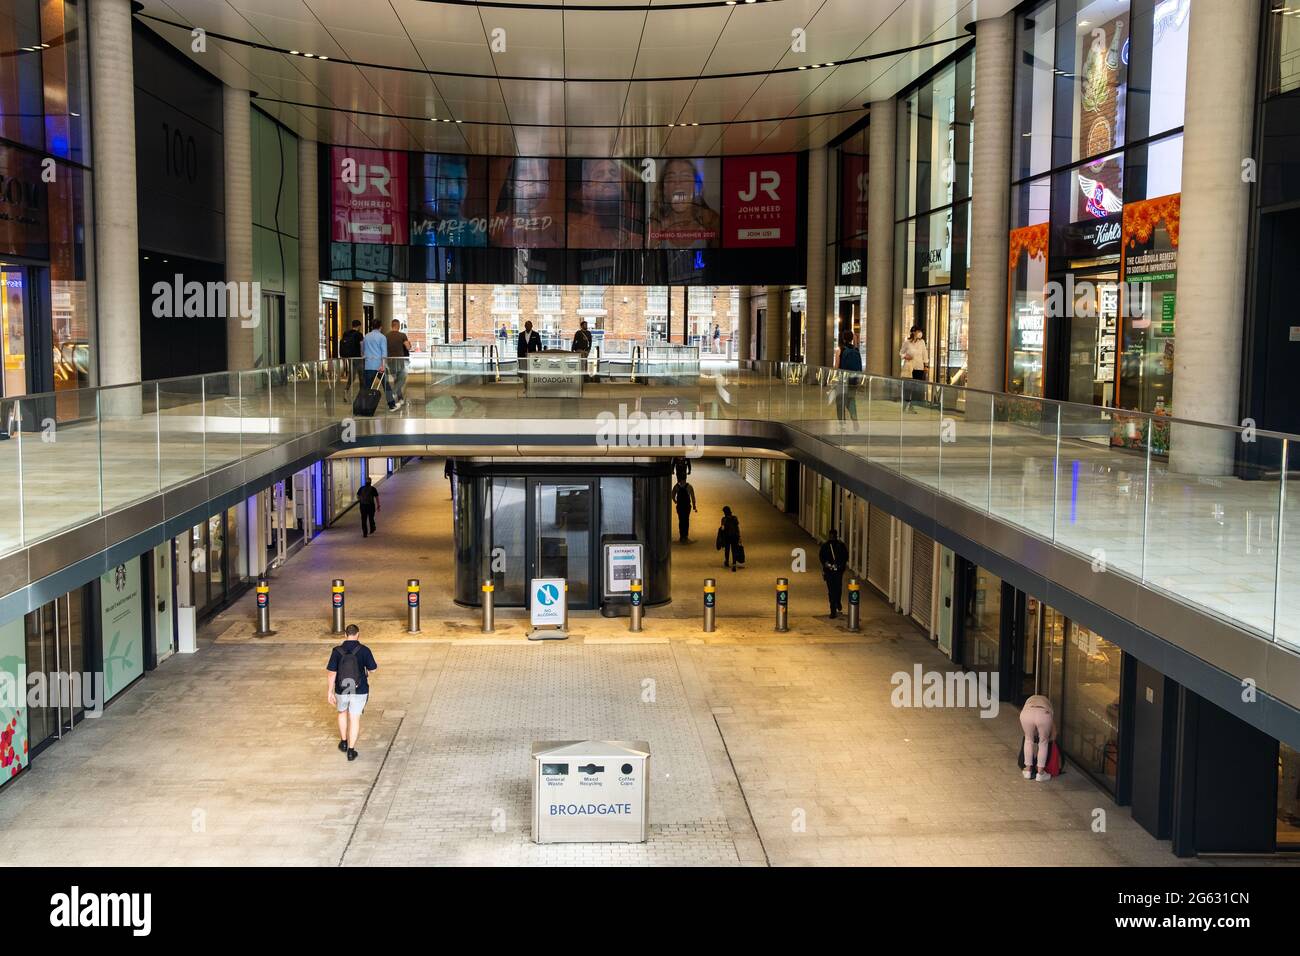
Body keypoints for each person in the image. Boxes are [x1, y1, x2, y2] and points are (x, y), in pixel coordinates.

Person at [327, 623, 379, 762]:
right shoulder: (364, 650)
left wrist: (329, 692)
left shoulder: (337, 651)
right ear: (358, 634)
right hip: (360, 689)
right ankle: (351, 750)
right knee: (354, 718)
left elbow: (332, 673)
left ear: (345, 635)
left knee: (342, 713)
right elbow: (373, 669)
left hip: (341, 689)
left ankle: (343, 742)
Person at [648, 158, 720, 249]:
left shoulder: (711, 222)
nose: (678, 183)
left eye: (685, 177)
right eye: (671, 178)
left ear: (696, 187)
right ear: (664, 190)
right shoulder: (654, 226)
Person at [361, 320, 397, 411]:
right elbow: (384, 353)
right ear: (380, 327)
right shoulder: (382, 337)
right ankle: (391, 404)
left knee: (367, 387)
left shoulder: (366, 336)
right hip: (379, 365)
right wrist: (383, 365)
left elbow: (363, 351)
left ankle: (363, 406)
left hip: (368, 365)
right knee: (386, 385)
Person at [1020, 694, 1056, 781]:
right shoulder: (1048, 704)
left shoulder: (1029, 700)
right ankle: (1040, 773)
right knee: (1043, 743)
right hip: (1044, 713)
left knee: (1028, 740)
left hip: (1027, 712)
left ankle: (1028, 770)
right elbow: (1054, 733)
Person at [818, 529, 850, 618]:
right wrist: (826, 564)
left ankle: (837, 601)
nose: (832, 537)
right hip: (830, 572)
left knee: (837, 589)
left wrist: (838, 565)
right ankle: (833, 609)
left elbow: (845, 557)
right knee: (832, 590)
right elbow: (821, 557)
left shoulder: (839, 546)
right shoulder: (828, 546)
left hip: (837, 571)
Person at [899, 325, 930, 413]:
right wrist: (905, 356)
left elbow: (925, 354)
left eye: (921, 331)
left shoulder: (922, 342)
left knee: (916, 389)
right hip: (909, 368)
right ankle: (905, 407)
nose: (920, 333)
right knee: (907, 388)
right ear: (913, 332)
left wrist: (926, 366)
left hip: (919, 368)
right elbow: (901, 353)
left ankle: (911, 406)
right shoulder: (907, 342)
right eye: (918, 331)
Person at [836, 328, 862, 425]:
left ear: (843, 339)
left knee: (840, 402)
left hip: (843, 380)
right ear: (851, 339)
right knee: (851, 399)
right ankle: (854, 417)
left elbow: (836, 367)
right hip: (853, 380)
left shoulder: (840, 350)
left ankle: (842, 424)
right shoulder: (856, 350)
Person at [385, 319, 410, 408]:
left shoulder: (386, 336)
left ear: (392, 325)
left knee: (396, 379)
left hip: (389, 361)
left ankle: (400, 398)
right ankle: (392, 394)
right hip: (399, 361)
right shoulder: (402, 335)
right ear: (398, 326)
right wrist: (408, 345)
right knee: (402, 378)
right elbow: (408, 347)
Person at [338, 319, 363, 387]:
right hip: (357, 357)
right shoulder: (359, 334)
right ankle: (362, 392)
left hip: (349, 357)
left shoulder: (346, 333)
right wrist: (363, 355)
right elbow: (362, 345)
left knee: (352, 376)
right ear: (358, 326)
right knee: (361, 376)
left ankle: (346, 390)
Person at [671, 477, 697, 543]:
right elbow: (693, 497)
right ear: (685, 479)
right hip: (687, 506)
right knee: (686, 520)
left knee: (681, 520)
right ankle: (686, 537)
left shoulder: (676, 486)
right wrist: (694, 506)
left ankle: (681, 537)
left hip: (680, 506)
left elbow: (672, 495)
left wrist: (675, 501)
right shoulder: (689, 486)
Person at [719, 506, 741, 572]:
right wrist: (739, 536)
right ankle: (734, 563)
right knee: (734, 550)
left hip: (727, 536)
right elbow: (737, 527)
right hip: (735, 536)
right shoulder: (735, 518)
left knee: (727, 549)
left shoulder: (723, 519)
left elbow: (722, 528)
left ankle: (727, 561)